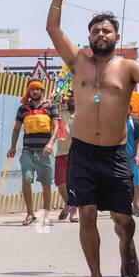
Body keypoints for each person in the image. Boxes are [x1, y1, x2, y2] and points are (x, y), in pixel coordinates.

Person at [46, 0, 139, 277]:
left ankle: (127, 245)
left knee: (122, 219)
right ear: (88, 36)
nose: (100, 34)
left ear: (117, 36)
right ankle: (95, 276)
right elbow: (52, 28)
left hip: (116, 154)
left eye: (106, 30)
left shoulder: (127, 68)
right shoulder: (77, 62)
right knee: (87, 213)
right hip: (83, 152)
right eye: (95, 31)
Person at [8, 80, 57, 226]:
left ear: (42, 91)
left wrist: (50, 143)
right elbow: (16, 129)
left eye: (37, 89)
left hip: (45, 152)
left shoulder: (50, 107)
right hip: (28, 151)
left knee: (46, 184)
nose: (34, 92)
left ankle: (46, 215)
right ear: (28, 92)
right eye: (32, 90)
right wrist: (12, 147)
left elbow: (55, 128)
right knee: (26, 180)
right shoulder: (23, 109)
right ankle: (30, 213)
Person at [53, 93, 77, 222]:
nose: (71, 100)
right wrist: (58, 95)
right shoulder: (61, 112)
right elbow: (53, 104)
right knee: (60, 182)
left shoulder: (82, 114)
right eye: (69, 97)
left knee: (74, 183)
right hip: (61, 152)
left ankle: (74, 212)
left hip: (77, 153)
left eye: (73, 97)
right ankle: (69, 203)